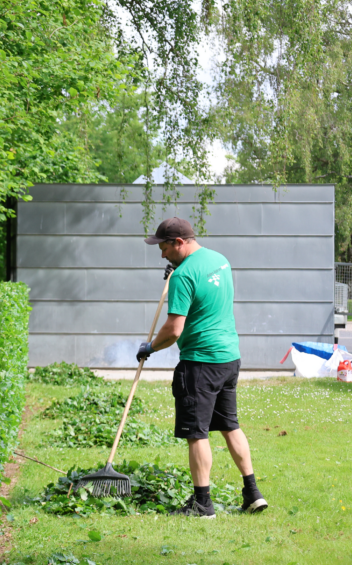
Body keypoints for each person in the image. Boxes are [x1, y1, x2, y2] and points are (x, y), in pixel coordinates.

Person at [138, 217, 267, 518]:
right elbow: (206, 296)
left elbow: (173, 330)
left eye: (165, 247)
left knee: (197, 433)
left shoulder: (183, 276)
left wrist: (150, 347)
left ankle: (202, 504)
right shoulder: (220, 261)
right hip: (228, 357)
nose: (162, 254)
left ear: (180, 243)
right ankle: (253, 493)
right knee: (229, 425)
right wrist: (178, 272)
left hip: (200, 363)